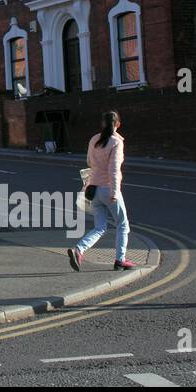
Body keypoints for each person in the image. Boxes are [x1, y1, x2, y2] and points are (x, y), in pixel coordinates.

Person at [68, 111, 138, 272]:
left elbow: (88, 162)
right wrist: (115, 191)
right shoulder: (116, 142)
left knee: (100, 227)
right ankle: (120, 260)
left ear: (102, 124)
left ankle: (79, 249)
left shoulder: (94, 139)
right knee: (123, 225)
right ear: (118, 124)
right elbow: (114, 169)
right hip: (108, 189)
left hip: (93, 189)